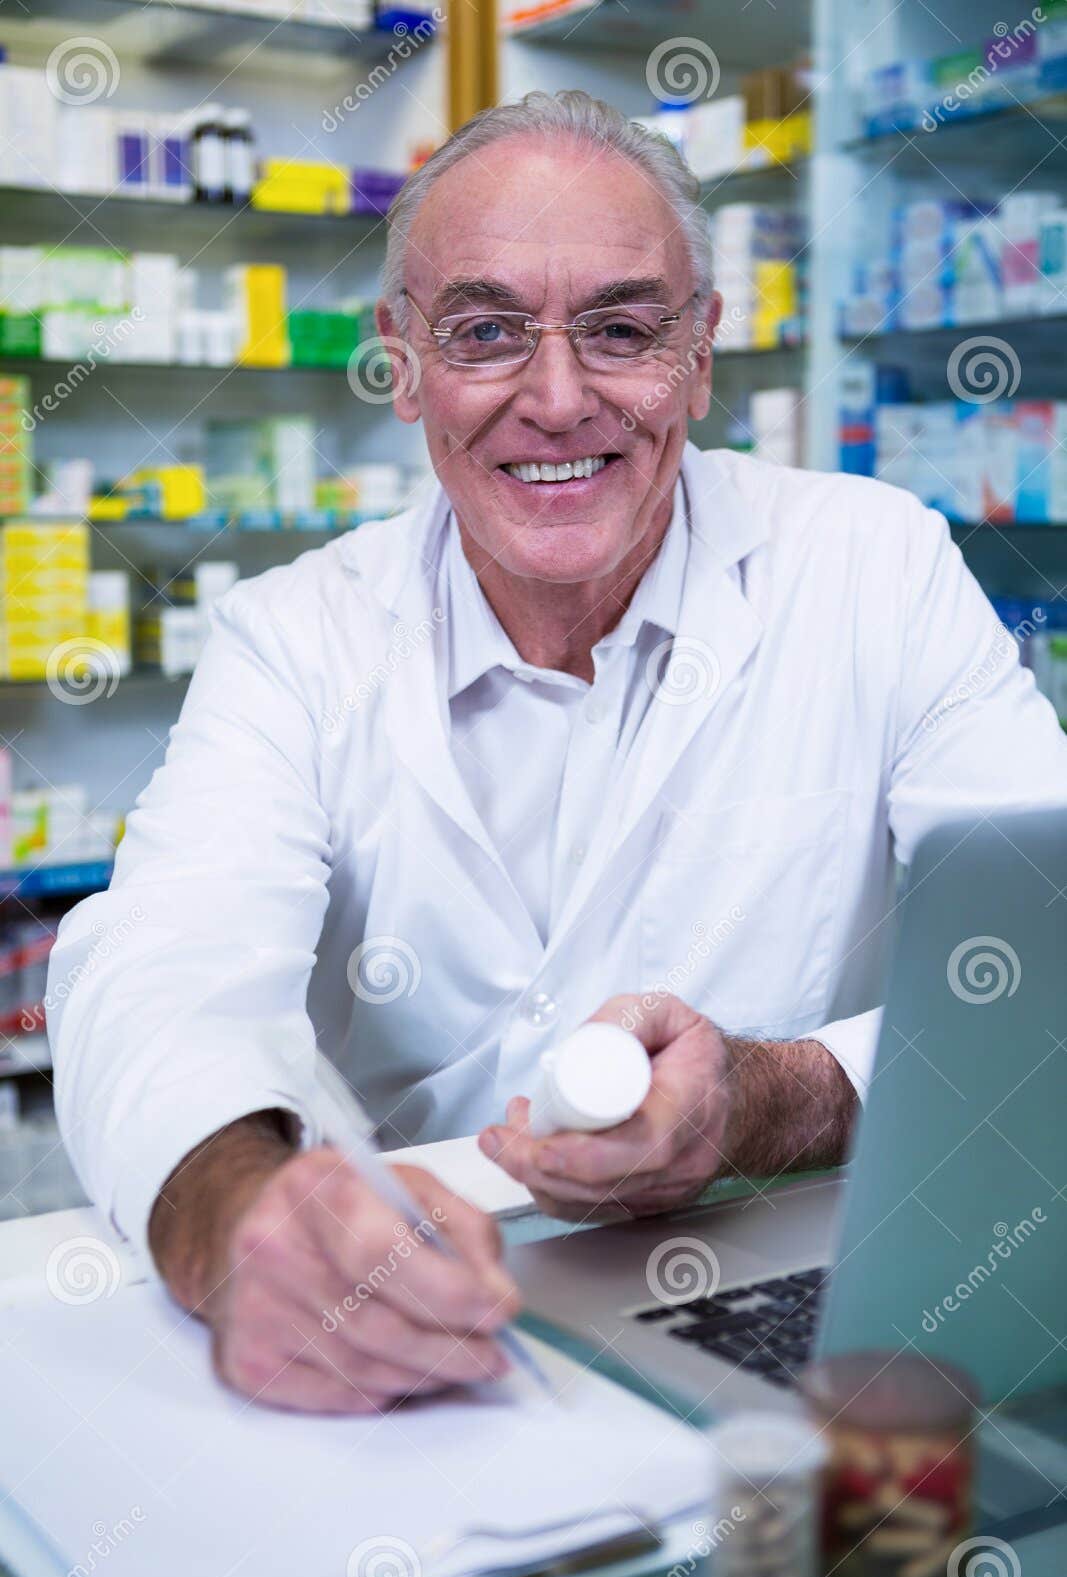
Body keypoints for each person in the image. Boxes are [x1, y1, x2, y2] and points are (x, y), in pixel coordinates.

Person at [47, 91, 1067, 1413]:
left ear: (700, 353)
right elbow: (161, 968)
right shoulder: (297, 638)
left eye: (623, 330)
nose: (559, 398)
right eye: (485, 332)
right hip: (416, 1335)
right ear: (401, 361)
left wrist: (776, 1096)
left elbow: (1041, 954)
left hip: (784, 1297)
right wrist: (237, 1216)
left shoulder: (873, 568)